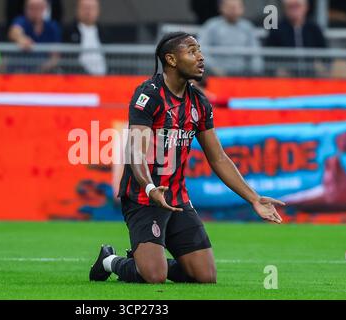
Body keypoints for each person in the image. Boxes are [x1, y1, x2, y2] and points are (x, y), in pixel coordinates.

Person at [89, 32, 285, 284]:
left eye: (200, 50)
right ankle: (110, 261)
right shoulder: (148, 95)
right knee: (154, 277)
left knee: (205, 276)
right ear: (171, 59)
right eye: (192, 51)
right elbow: (135, 151)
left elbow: (218, 158)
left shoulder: (199, 103)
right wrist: (150, 188)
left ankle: (146, 259)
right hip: (143, 198)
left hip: (177, 197)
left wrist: (253, 198)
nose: (201, 57)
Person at [199, 0, 263, 76]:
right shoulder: (211, 26)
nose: (234, 10)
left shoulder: (247, 27)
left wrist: (255, 71)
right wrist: (214, 68)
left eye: (237, 7)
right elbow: (201, 50)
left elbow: (255, 54)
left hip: (243, 75)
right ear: (221, 7)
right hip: (216, 75)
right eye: (230, 7)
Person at [265, 0, 327, 77]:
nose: (294, 11)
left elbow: (325, 57)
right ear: (285, 9)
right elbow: (269, 58)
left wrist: (322, 70)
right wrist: (277, 71)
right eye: (291, 7)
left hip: (311, 80)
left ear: (306, 7)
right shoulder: (276, 29)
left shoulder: (314, 29)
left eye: (297, 6)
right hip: (285, 82)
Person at [8, 0, 61, 73]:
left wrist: (40, 69)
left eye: (38, 8)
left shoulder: (52, 27)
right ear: (25, 9)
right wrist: (21, 38)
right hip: (21, 73)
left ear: (44, 8)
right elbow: (14, 31)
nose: (35, 11)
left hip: (44, 75)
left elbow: (55, 57)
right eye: (31, 8)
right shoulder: (21, 21)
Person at [63, 0, 108, 75]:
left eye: (92, 8)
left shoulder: (104, 32)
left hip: (104, 80)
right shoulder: (68, 31)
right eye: (85, 8)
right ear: (77, 9)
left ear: (98, 10)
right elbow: (66, 58)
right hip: (79, 79)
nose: (88, 11)